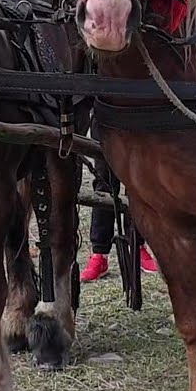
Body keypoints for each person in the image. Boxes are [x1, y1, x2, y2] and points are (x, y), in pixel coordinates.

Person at [79, 120, 158, 282]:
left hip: (136, 116)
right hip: (104, 115)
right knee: (104, 182)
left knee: (138, 182)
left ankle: (136, 246)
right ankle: (99, 254)